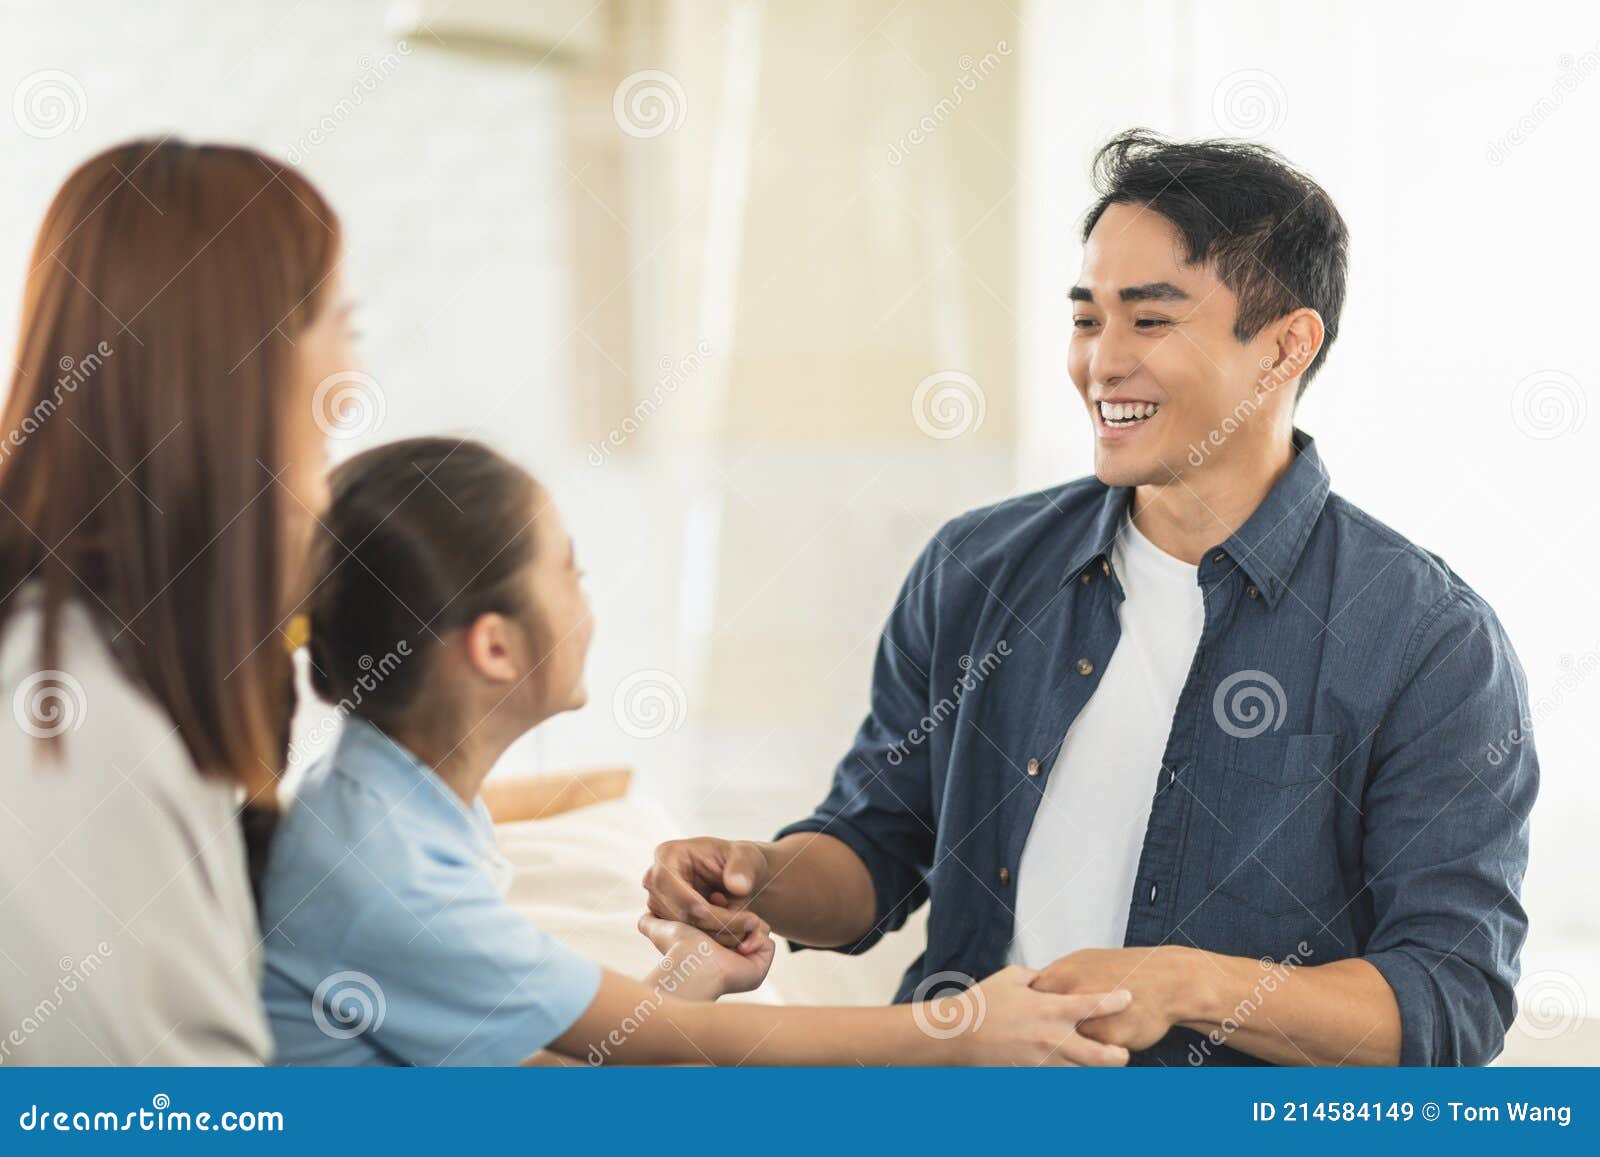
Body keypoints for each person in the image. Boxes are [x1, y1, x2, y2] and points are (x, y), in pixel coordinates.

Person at [643, 130, 1539, 1067]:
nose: (1101, 363)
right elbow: (877, 844)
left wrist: (1188, 984)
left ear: (1285, 347)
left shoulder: (1429, 641)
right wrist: (755, 874)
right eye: (1086, 319)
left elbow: (1451, 998)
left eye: (1150, 321)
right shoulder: (976, 566)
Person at [258, 437, 1133, 1066]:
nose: (587, 600)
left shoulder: (395, 807)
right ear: (494, 645)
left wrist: (693, 967)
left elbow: (559, 1068)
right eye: (568, 572)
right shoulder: (385, 872)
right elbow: (696, 1044)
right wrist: (958, 1030)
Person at [0, 140, 355, 1064]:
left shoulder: (120, 660)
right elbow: (167, 1118)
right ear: (242, 368)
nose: (353, 380)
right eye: (339, 328)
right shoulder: (71, 722)